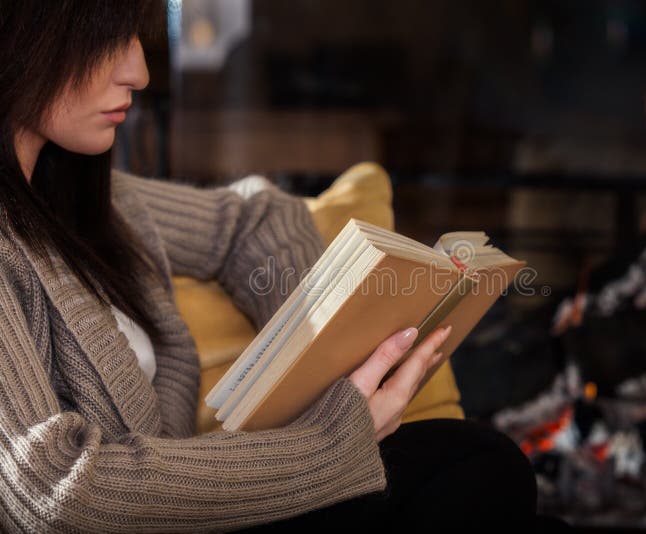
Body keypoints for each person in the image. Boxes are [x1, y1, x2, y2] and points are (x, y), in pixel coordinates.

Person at [0, 1, 551, 532]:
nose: (139, 72)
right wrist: (330, 448)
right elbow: (52, 491)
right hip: (188, 510)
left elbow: (256, 218)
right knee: (479, 465)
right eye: (104, 39)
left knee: (491, 481)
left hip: (222, 500)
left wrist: (315, 343)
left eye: (135, 38)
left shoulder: (88, 200)